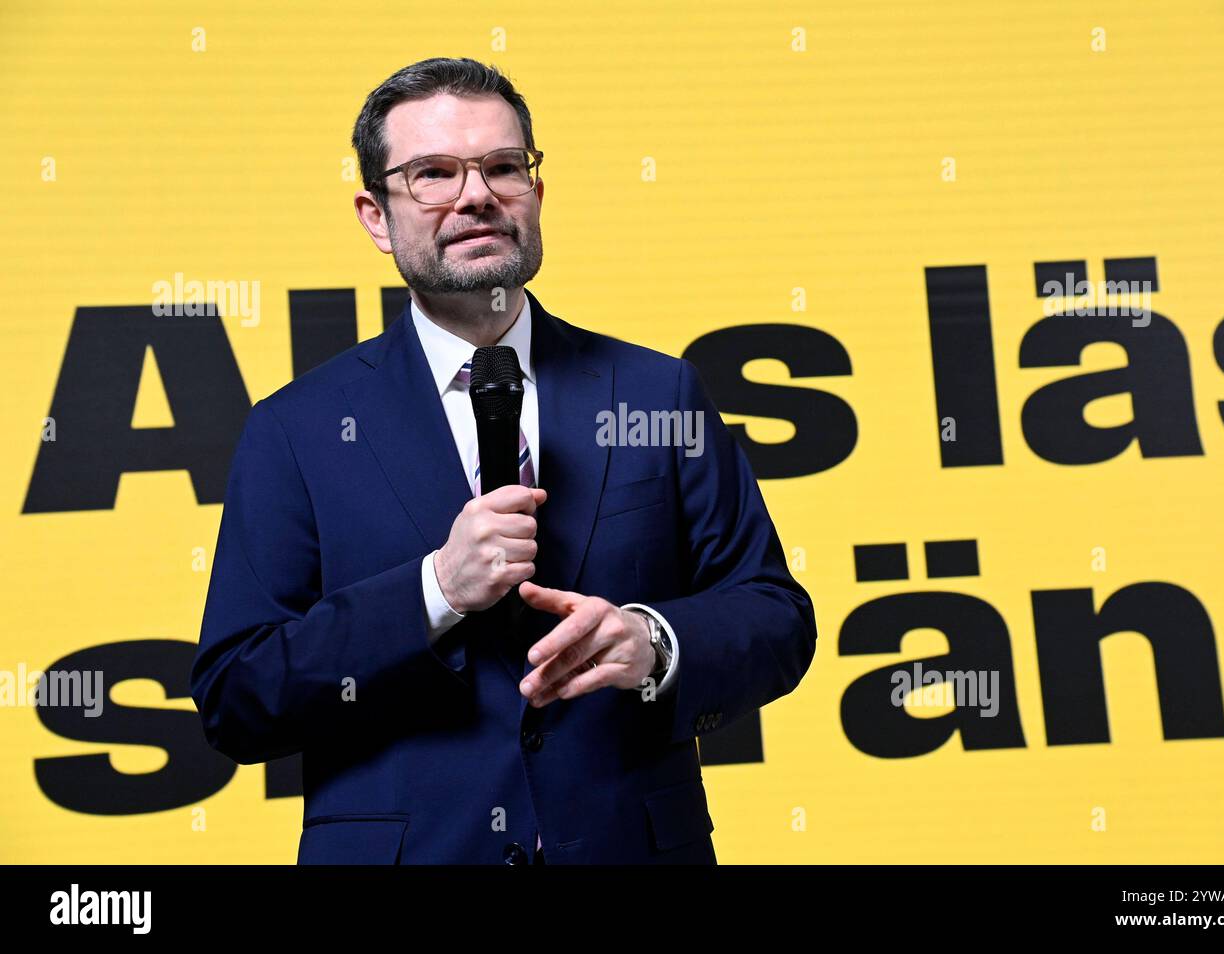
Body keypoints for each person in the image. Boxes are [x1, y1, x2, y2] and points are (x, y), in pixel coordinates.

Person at [190, 56, 816, 865]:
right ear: (376, 217)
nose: (476, 194)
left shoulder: (657, 392)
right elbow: (238, 699)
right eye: (432, 175)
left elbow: (775, 617)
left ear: (536, 194)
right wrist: (435, 592)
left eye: (501, 167)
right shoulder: (296, 431)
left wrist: (654, 641)